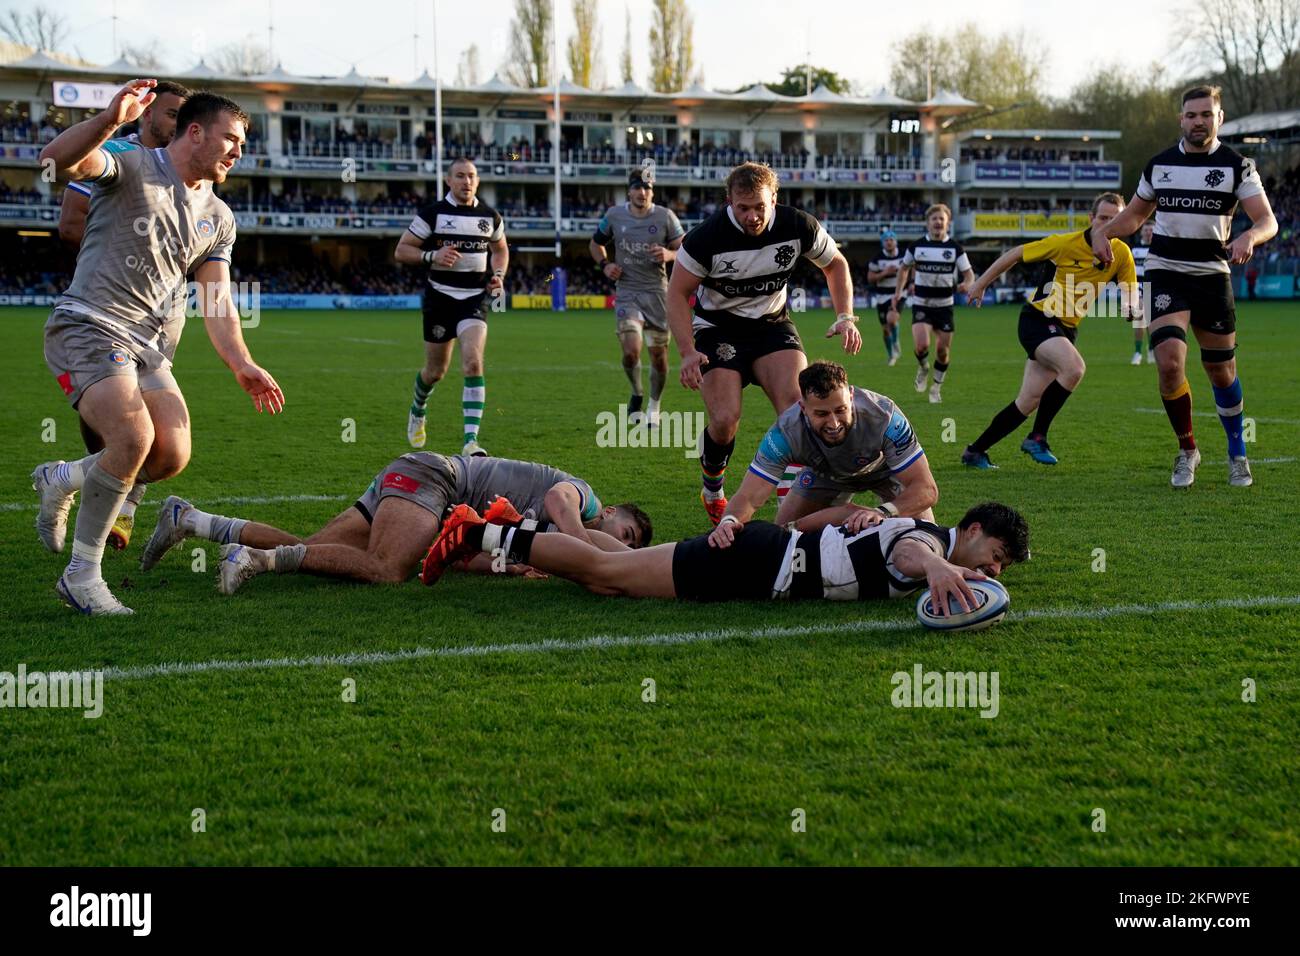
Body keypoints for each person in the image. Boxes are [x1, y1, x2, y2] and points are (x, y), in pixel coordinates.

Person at [32, 81, 284, 615]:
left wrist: (241, 362)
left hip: (150, 349)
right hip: (90, 325)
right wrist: (109, 119)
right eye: (231, 139)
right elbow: (53, 162)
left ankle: (62, 478)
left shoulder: (218, 216)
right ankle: (82, 576)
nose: (239, 152)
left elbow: (216, 300)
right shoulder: (130, 165)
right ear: (195, 132)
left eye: (243, 143)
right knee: (132, 437)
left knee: (170, 453)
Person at [1092, 85, 1277, 488]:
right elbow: (1136, 216)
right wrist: (1104, 232)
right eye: (1191, 115)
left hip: (1212, 275)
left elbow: (1267, 220)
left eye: (1206, 115)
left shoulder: (1237, 166)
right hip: (1166, 272)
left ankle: (1237, 453)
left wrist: (1249, 237)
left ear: (1219, 118)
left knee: (1221, 371)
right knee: (1170, 364)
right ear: (1181, 119)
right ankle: (1187, 449)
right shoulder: (1159, 166)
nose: (1198, 122)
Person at [423, 499, 1029, 619]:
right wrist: (942, 568)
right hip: (754, 564)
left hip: (765, 556)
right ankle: (481, 534)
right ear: (970, 530)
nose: (992, 572)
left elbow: (837, 517)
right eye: (994, 557)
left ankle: (507, 528)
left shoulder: (915, 532)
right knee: (608, 576)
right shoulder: (925, 540)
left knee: (612, 578)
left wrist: (807, 522)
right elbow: (910, 551)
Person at [140, 452, 652, 594]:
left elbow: (458, 555)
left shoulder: (545, 539)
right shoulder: (583, 500)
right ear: (610, 514)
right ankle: (258, 559)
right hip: (434, 479)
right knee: (386, 569)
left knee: (317, 553)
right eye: (625, 533)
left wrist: (512, 568)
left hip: (419, 481)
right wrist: (598, 555)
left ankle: (194, 519)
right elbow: (562, 503)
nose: (619, 542)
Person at [666, 161, 862, 525]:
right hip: (718, 329)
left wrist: (845, 316)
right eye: (743, 208)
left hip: (772, 326)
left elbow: (835, 265)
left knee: (797, 412)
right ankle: (712, 485)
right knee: (725, 419)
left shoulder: (798, 225)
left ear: (774, 197)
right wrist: (686, 351)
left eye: (760, 206)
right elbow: (677, 293)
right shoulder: (706, 237)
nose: (752, 216)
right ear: (729, 202)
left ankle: (789, 510)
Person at [56, 78, 191, 551]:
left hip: (165, 310)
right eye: (172, 114)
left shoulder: (190, 168)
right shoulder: (114, 151)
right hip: (110, 301)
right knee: (117, 414)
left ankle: (125, 500)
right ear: (148, 112)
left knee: (161, 435)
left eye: (186, 117)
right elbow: (70, 223)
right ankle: (108, 499)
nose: (179, 124)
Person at [960, 192, 1139, 468]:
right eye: (1103, 217)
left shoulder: (1122, 254)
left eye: (1115, 219)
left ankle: (975, 451)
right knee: (1075, 368)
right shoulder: (1065, 244)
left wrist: (1131, 307)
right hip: (1038, 319)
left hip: (1066, 330)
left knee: (1028, 400)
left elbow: (1129, 290)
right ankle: (1037, 437)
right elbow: (1015, 254)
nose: (1108, 223)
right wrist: (981, 283)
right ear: (1091, 219)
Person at [709, 360, 937, 549]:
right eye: (821, 414)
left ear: (850, 396)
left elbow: (926, 489)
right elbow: (749, 497)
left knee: (928, 538)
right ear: (802, 408)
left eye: (840, 410)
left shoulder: (884, 416)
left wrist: (883, 512)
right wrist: (729, 522)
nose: (834, 423)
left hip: (885, 472)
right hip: (825, 475)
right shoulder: (785, 432)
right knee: (782, 539)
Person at [395, 157, 507, 456]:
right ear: (449, 181)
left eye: (471, 176)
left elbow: (500, 249)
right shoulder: (432, 214)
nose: (466, 181)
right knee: (435, 371)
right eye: (460, 176)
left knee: (472, 361)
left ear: (478, 181)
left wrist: (498, 276)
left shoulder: (490, 216)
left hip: (474, 298)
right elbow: (402, 250)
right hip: (440, 298)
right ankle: (418, 409)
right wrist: (432, 256)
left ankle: (471, 442)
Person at [589, 167, 685, 425]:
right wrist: (605, 265)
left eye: (647, 188)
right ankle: (636, 392)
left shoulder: (666, 217)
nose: (642, 192)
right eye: (637, 187)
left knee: (658, 357)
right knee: (631, 352)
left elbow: (686, 248)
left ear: (652, 191)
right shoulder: (614, 216)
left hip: (657, 294)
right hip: (628, 292)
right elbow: (595, 243)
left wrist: (669, 254)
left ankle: (654, 406)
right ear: (629, 190)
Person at [892, 203, 975, 403]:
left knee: (942, 352)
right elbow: (904, 269)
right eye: (934, 219)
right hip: (922, 303)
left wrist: (967, 284)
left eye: (942, 219)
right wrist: (898, 292)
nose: (938, 222)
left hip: (945, 306)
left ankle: (936, 388)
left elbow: (969, 274)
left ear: (947, 224)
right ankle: (923, 367)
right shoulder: (917, 246)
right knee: (921, 346)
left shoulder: (955, 248)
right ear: (928, 223)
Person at [866, 229, 905, 365]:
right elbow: (870, 278)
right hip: (882, 296)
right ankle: (891, 356)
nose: (889, 242)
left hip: (898, 294)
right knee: (885, 330)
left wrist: (911, 283)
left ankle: (896, 342)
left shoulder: (903, 255)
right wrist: (885, 273)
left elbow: (911, 270)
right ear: (883, 243)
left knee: (892, 319)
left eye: (891, 240)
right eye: (886, 240)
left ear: (896, 241)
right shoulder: (877, 259)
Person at [1129, 220, 1155, 365]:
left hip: (1155, 288)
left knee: (1152, 322)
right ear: (1142, 232)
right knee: (1139, 321)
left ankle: (1151, 350)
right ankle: (1138, 352)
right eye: (1146, 230)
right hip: (1139, 288)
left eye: (1151, 230)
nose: (1149, 233)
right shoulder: (1134, 249)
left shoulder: (1160, 248)